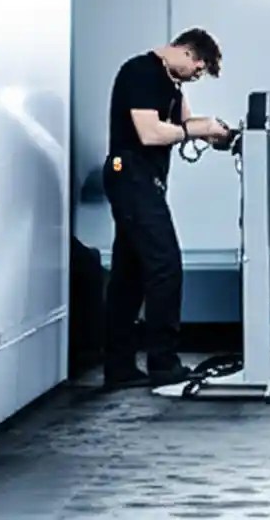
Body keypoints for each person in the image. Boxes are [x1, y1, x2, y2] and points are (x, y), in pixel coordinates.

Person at [102, 28, 230, 390]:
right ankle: (164, 363)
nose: (197, 76)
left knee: (129, 274)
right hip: (130, 177)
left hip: (144, 181)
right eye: (199, 69)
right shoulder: (141, 71)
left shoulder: (172, 84)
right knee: (165, 266)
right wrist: (197, 130)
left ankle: (119, 368)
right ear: (187, 52)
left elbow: (185, 125)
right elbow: (151, 133)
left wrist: (220, 133)